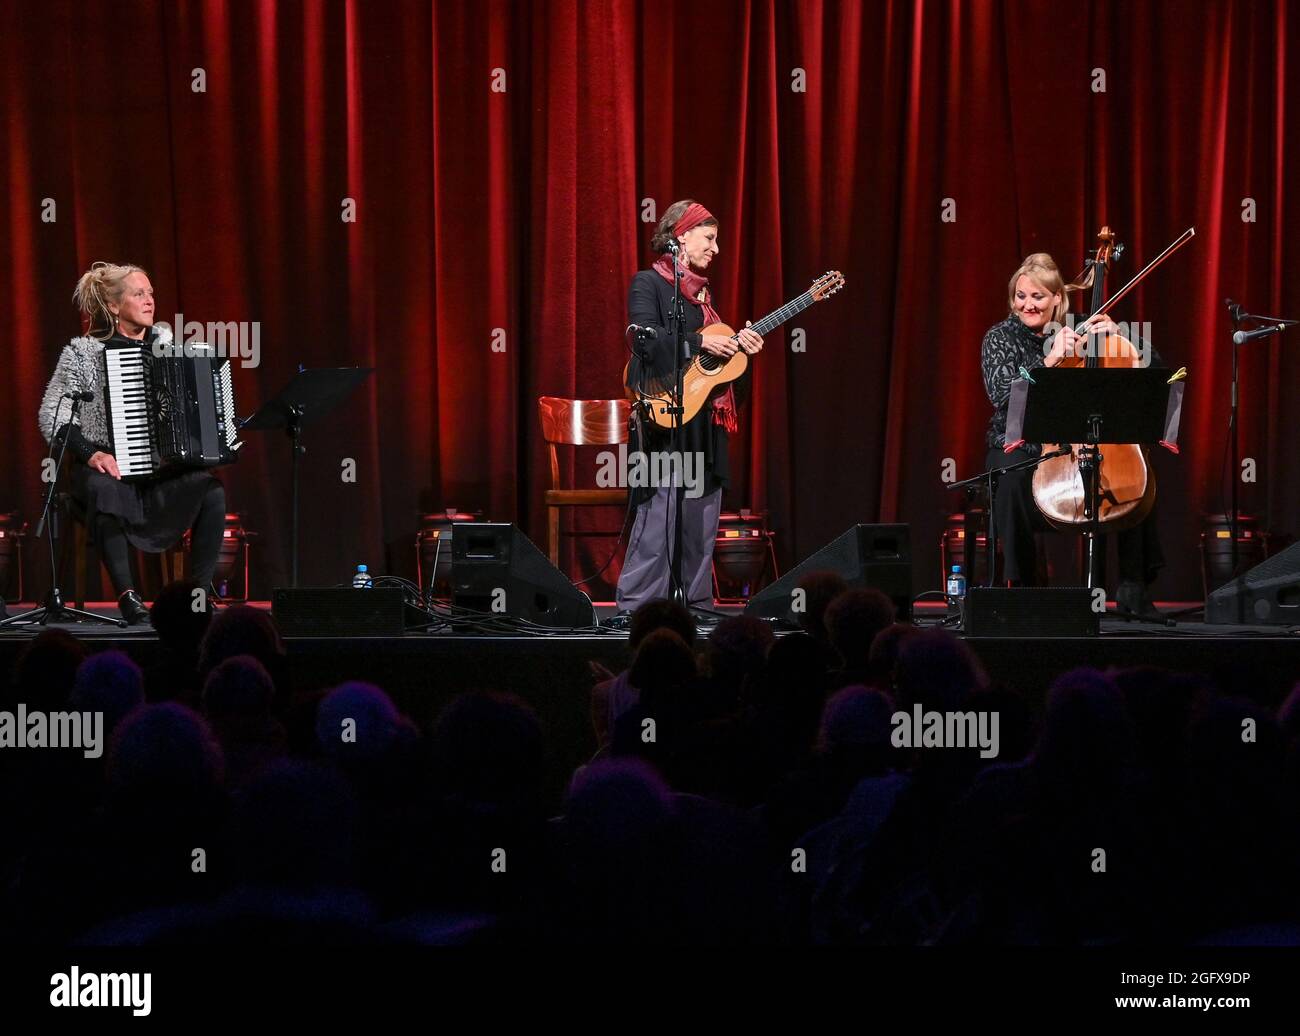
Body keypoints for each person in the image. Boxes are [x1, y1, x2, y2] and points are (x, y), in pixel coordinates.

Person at [38, 262, 227, 624]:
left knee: (210, 489)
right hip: (109, 471)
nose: (149, 300)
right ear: (113, 305)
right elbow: (55, 416)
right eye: (138, 294)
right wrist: (92, 453)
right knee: (103, 488)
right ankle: (128, 597)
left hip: (159, 472)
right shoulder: (83, 353)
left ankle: (199, 596)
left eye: (151, 293)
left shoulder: (167, 347)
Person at [980, 252, 1163, 616]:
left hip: (1082, 444)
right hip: (1025, 447)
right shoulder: (999, 337)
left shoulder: (1083, 328)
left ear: (1057, 300)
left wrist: (1122, 334)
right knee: (1008, 473)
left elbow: (1157, 371)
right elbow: (1000, 392)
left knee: (1135, 476)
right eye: (1020, 296)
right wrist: (1047, 361)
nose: (1027, 304)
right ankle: (1021, 590)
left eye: (1037, 297)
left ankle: (1133, 590)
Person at [616, 200, 762, 613]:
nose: (716, 249)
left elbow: (722, 382)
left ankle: (697, 613)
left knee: (699, 528)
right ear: (681, 236)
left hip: (703, 429)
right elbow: (644, 342)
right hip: (661, 427)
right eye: (709, 238)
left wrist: (743, 356)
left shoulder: (704, 302)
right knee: (655, 529)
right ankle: (636, 615)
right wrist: (701, 342)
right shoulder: (648, 283)